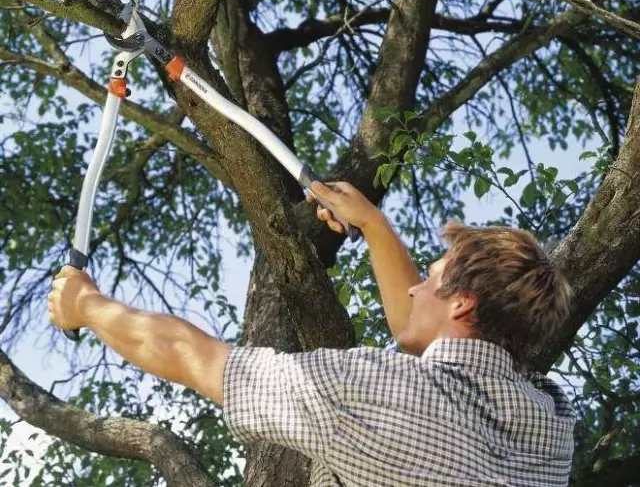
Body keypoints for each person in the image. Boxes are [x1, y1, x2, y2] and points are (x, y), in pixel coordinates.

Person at [49, 181, 576, 487]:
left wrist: (84, 304)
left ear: (463, 304)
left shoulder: (371, 394)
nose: (413, 290)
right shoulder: (550, 431)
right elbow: (421, 338)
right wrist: (372, 223)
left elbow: (189, 354)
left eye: (430, 279)